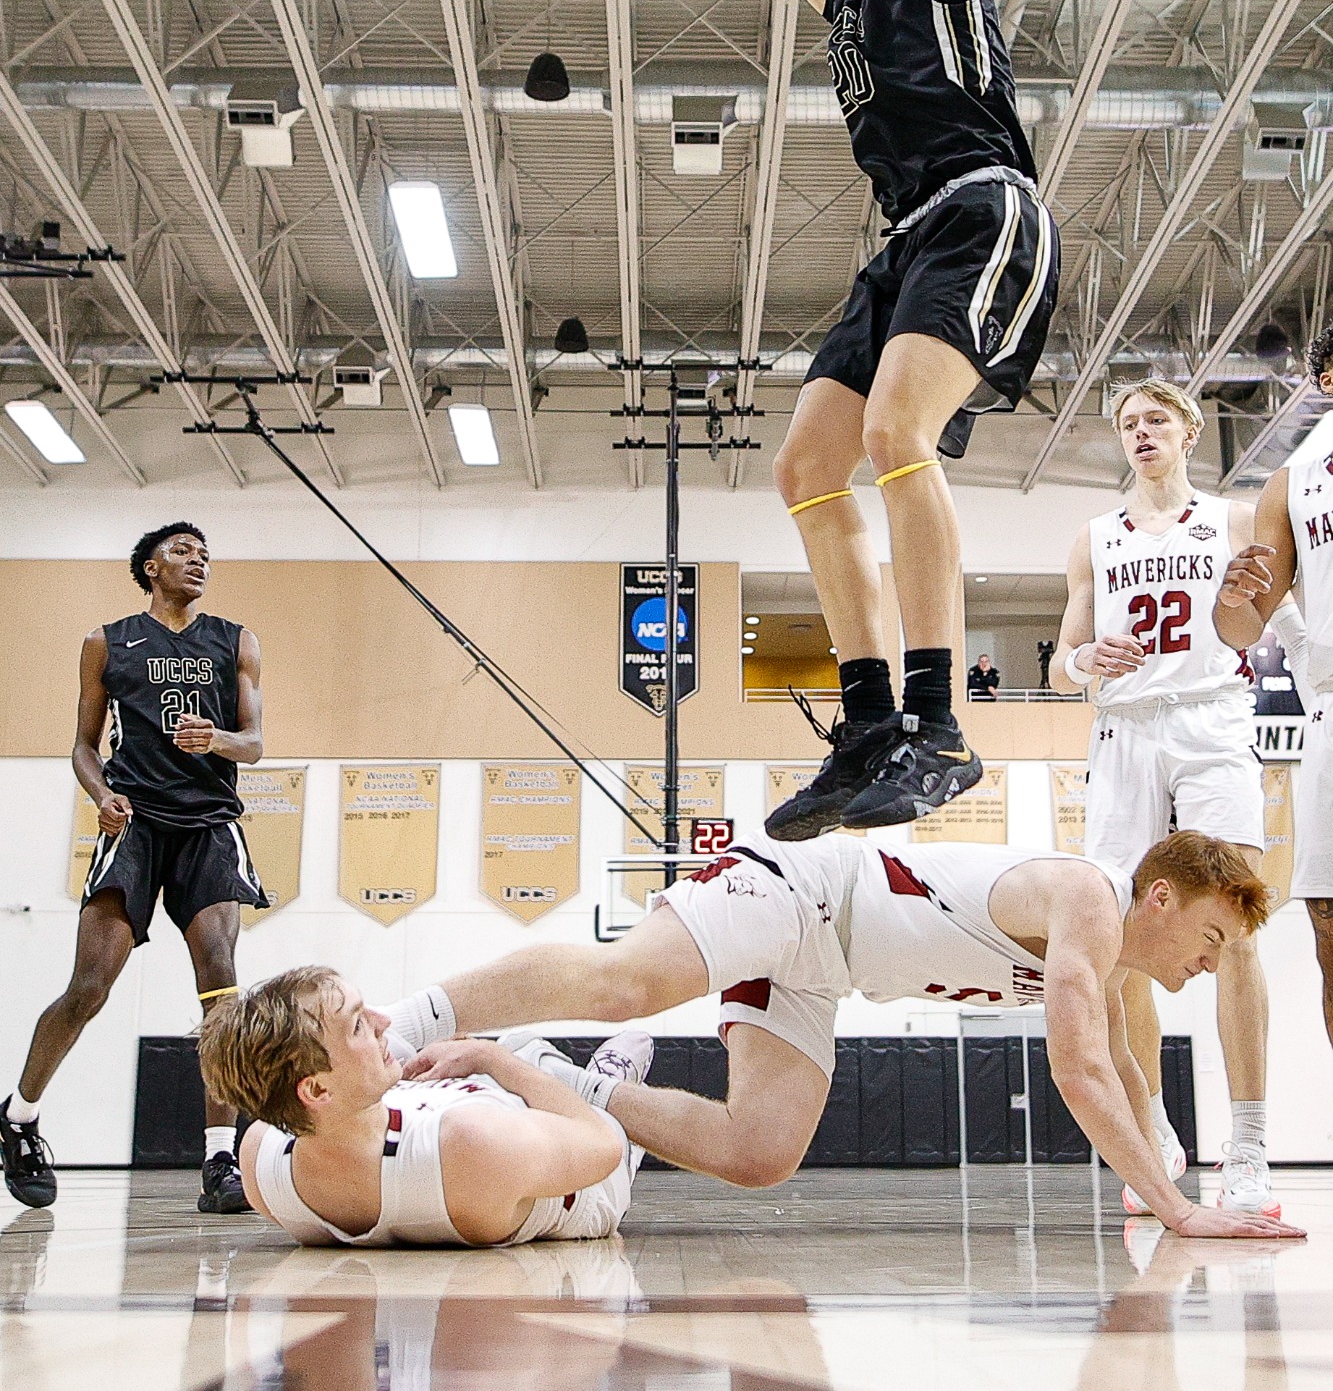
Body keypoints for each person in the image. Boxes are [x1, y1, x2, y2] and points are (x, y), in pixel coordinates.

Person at [746, 0, 1060, 842]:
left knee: (893, 432)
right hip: (904, 234)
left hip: (987, 210)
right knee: (804, 465)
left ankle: (937, 722)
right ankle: (871, 719)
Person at [391, 826, 1299, 1239]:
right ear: (1161, 897)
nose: (1212, 963)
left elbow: (1134, 1079)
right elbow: (1081, 1072)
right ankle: (410, 1024)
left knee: (758, 1152)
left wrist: (1167, 1184)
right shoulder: (1089, 901)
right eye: (1212, 938)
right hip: (808, 891)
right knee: (630, 983)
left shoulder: (1108, 959)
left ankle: (555, 1075)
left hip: (825, 969)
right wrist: (1179, 1213)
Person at [1050, 380, 1274, 1219]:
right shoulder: (1094, 538)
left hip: (1211, 719)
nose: (1139, 433)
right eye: (1125, 424)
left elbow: (1256, 626)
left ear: (1186, 431)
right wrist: (1082, 662)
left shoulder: (1233, 520)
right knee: (1113, 937)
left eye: (1153, 420)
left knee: (1238, 921)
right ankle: (1148, 1123)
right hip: (1124, 727)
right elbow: (1059, 662)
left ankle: (1247, 1143)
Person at [0, 523, 267, 1215]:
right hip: (137, 823)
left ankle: (218, 1157)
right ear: (150, 567)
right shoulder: (107, 642)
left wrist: (220, 739)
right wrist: (101, 795)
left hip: (208, 823)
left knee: (221, 981)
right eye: (183, 551)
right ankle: (20, 1117)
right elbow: (83, 748)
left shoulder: (235, 640)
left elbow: (256, 743)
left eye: (206, 552)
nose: (199, 560)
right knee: (89, 986)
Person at [197, 969, 650, 1248]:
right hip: (588, 1180)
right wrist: (494, 1060)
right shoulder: (473, 1142)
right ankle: (602, 1077)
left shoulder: (261, 1154)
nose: (381, 1020)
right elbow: (601, 1145)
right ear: (315, 1090)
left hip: (418, 1130)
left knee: (416, 1053)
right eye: (359, 1024)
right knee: (523, 1049)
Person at [1212, 319, 1333, 1064]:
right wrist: (1235, 600)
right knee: (1325, 915)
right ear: (1325, 380)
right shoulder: (1294, 479)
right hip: (1328, 706)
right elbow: (1238, 628)